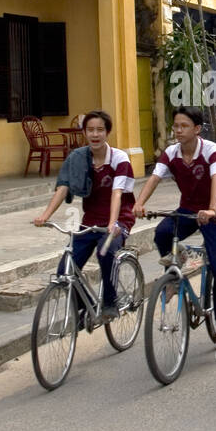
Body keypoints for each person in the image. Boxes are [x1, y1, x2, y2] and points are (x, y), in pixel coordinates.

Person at [133, 107, 216, 349]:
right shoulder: (171, 153)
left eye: (184, 126)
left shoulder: (211, 151)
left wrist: (211, 209)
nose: (178, 131)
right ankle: (175, 276)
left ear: (197, 129)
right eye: (176, 126)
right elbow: (155, 178)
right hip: (188, 210)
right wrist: (139, 203)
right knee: (162, 233)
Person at [33, 110, 135, 320]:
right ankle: (84, 309)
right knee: (65, 271)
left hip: (119, 219)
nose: (95, 134)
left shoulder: (119, 158)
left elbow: (117, 193)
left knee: (105, 252)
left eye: (99, 130)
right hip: (90, 221)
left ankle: (110, 302)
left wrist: (113, 222)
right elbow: (63, 187)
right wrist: (45, 216)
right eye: (90, 130)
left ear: (107, 132)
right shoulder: (78, 158)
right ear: (84, 132)